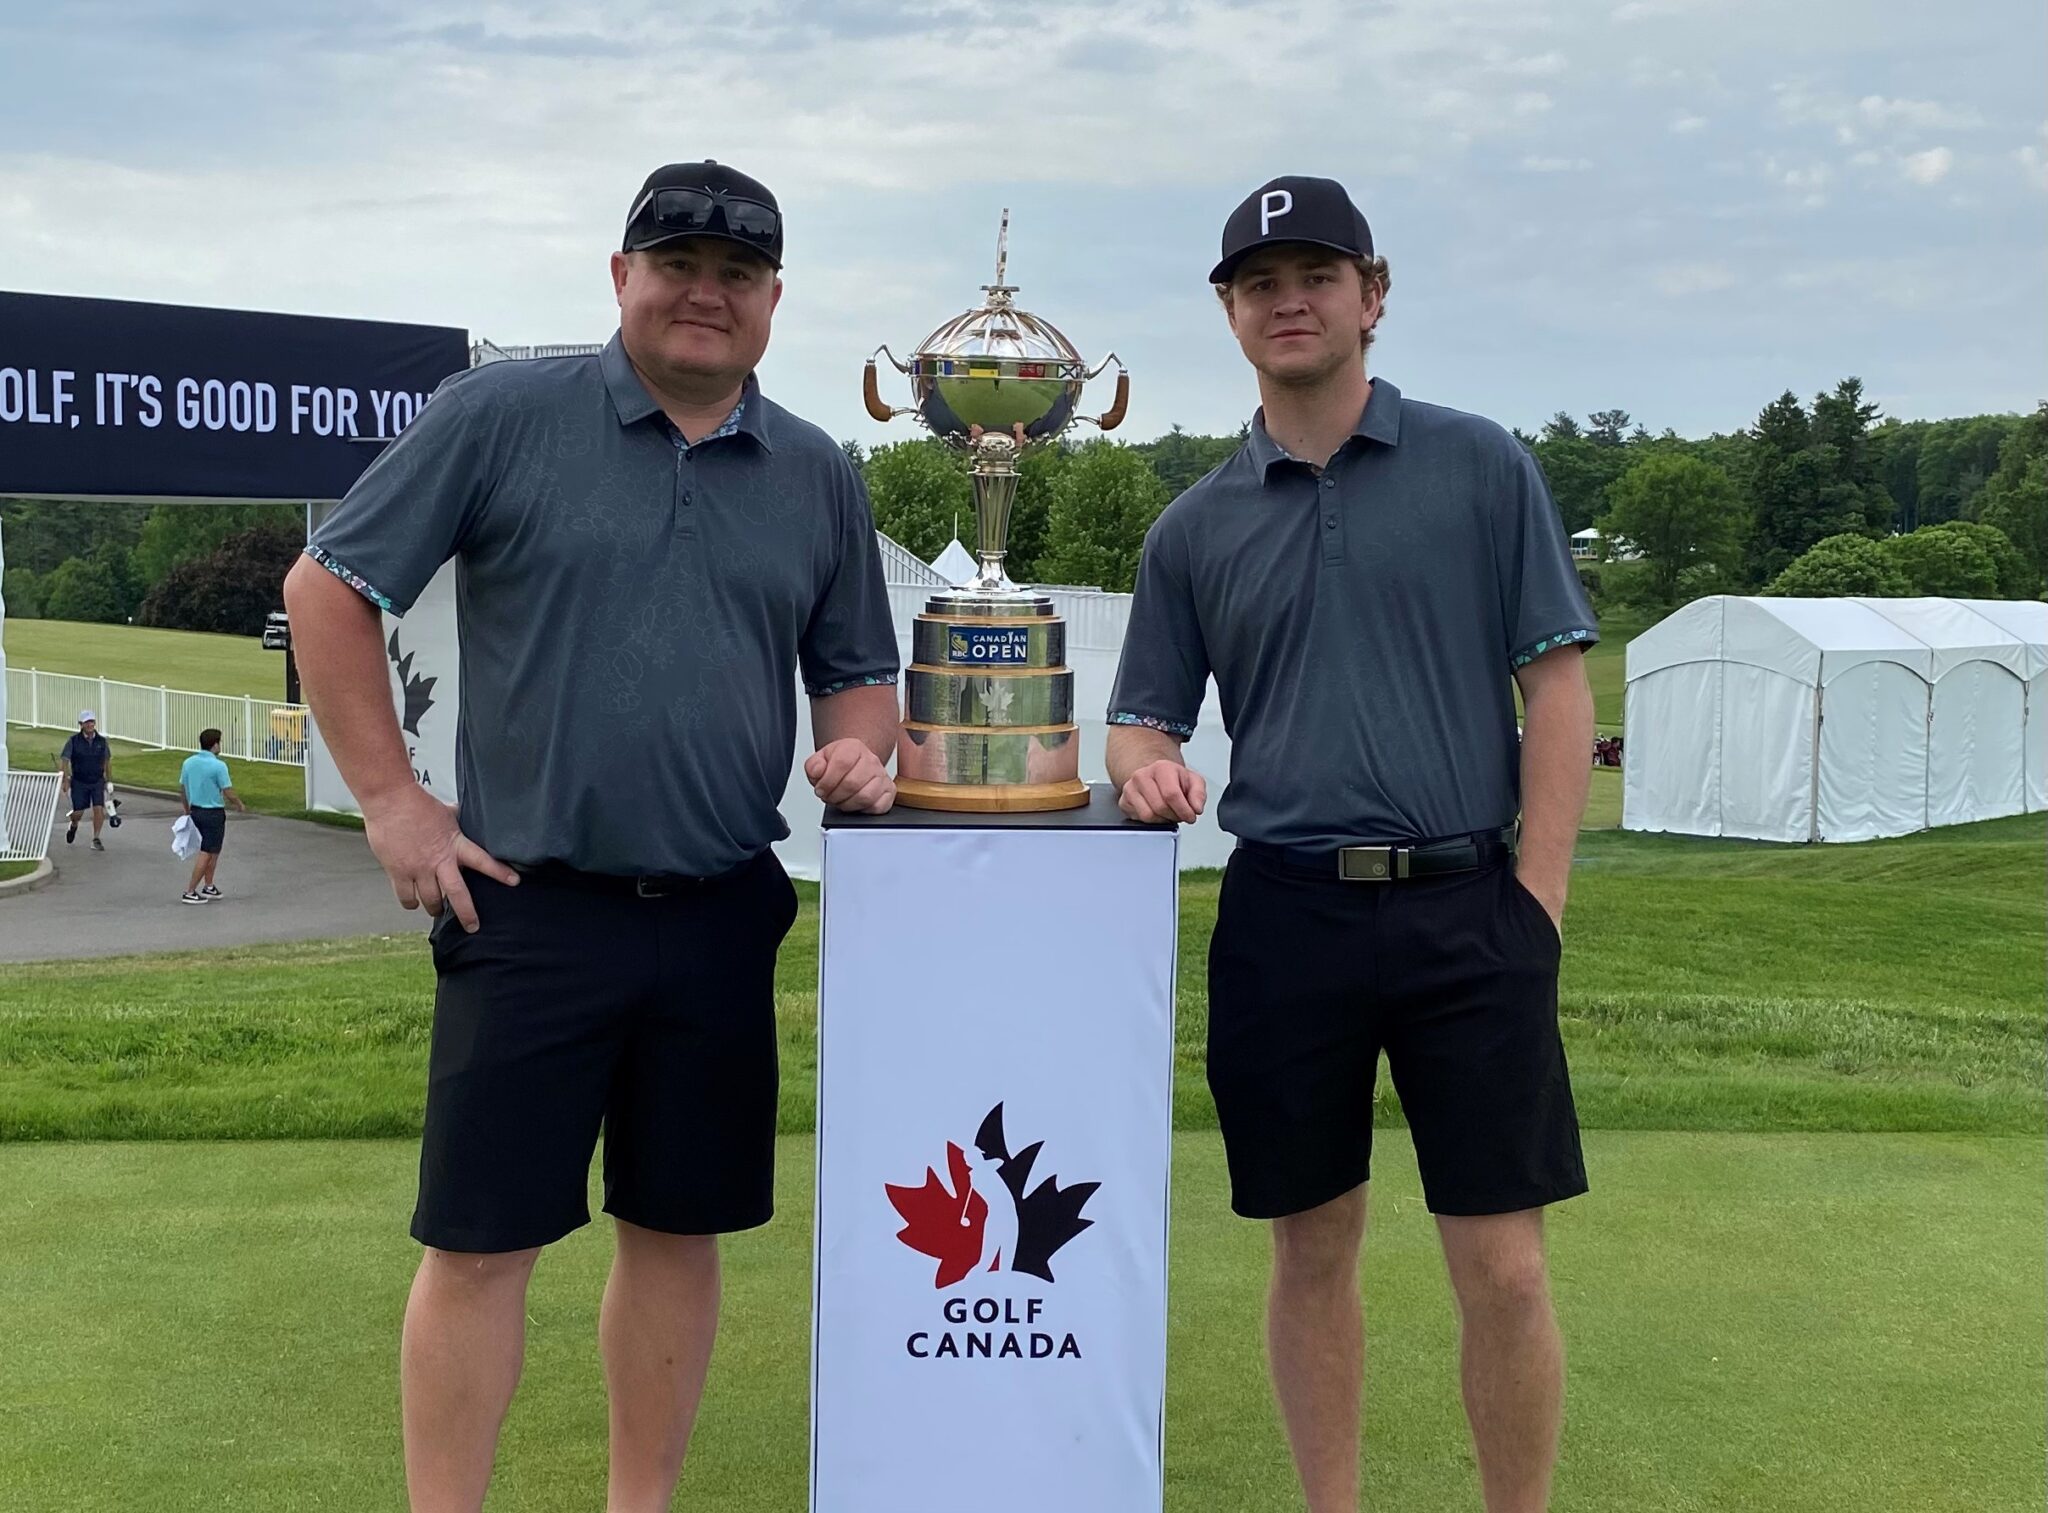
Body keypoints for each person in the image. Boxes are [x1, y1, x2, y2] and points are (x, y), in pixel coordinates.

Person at [282, 159, 901, 1513]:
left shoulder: (813, 469)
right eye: (677, 263)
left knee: (678, 1233)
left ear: (774, 300)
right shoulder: (499, 418)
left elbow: (857, 672)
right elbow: (328, 589)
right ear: (621, 277)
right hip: (530, 905)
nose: (705, 292)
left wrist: (863, 745)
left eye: (736, 274)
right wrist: (393, 800)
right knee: (482, 1243)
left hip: (726, 907)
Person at [1106, 175, 1598, 1513]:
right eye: (1261, 283)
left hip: (1468, 909)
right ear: (1231, 313)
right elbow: (1139, 723)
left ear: (1372, 297)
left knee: (1503, 1267)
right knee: (1310, 1251)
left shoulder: (1480, 464)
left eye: (1318, 276)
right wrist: (1151, 774)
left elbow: (1557, 689)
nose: (1291, 301)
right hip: (1285, 918)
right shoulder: (1193, 525)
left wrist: (1536, 903)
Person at [177, 728, 247, 904]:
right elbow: (227, 790)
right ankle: (190, 890)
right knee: (207, 852)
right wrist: (238, 803)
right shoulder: (218, 765)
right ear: (215, 744)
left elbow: (183, 788)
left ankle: (209, 885)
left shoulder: (189, 763)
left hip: (196, 810)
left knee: (214, 850)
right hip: (213, 812)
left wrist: (186, 808)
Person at [59, 710, 112, 850]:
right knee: (78, 812)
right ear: (81, 724)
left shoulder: (101, 741)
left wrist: (109, 780)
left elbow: (106, 761)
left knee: (98, 808)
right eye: (87, 722)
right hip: (79, 781)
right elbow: (65, 760)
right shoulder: (73, 741)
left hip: (96, 780)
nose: (90, 725)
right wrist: (65, 780)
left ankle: (96, 838)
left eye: (92, 722)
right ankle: (74, 824)